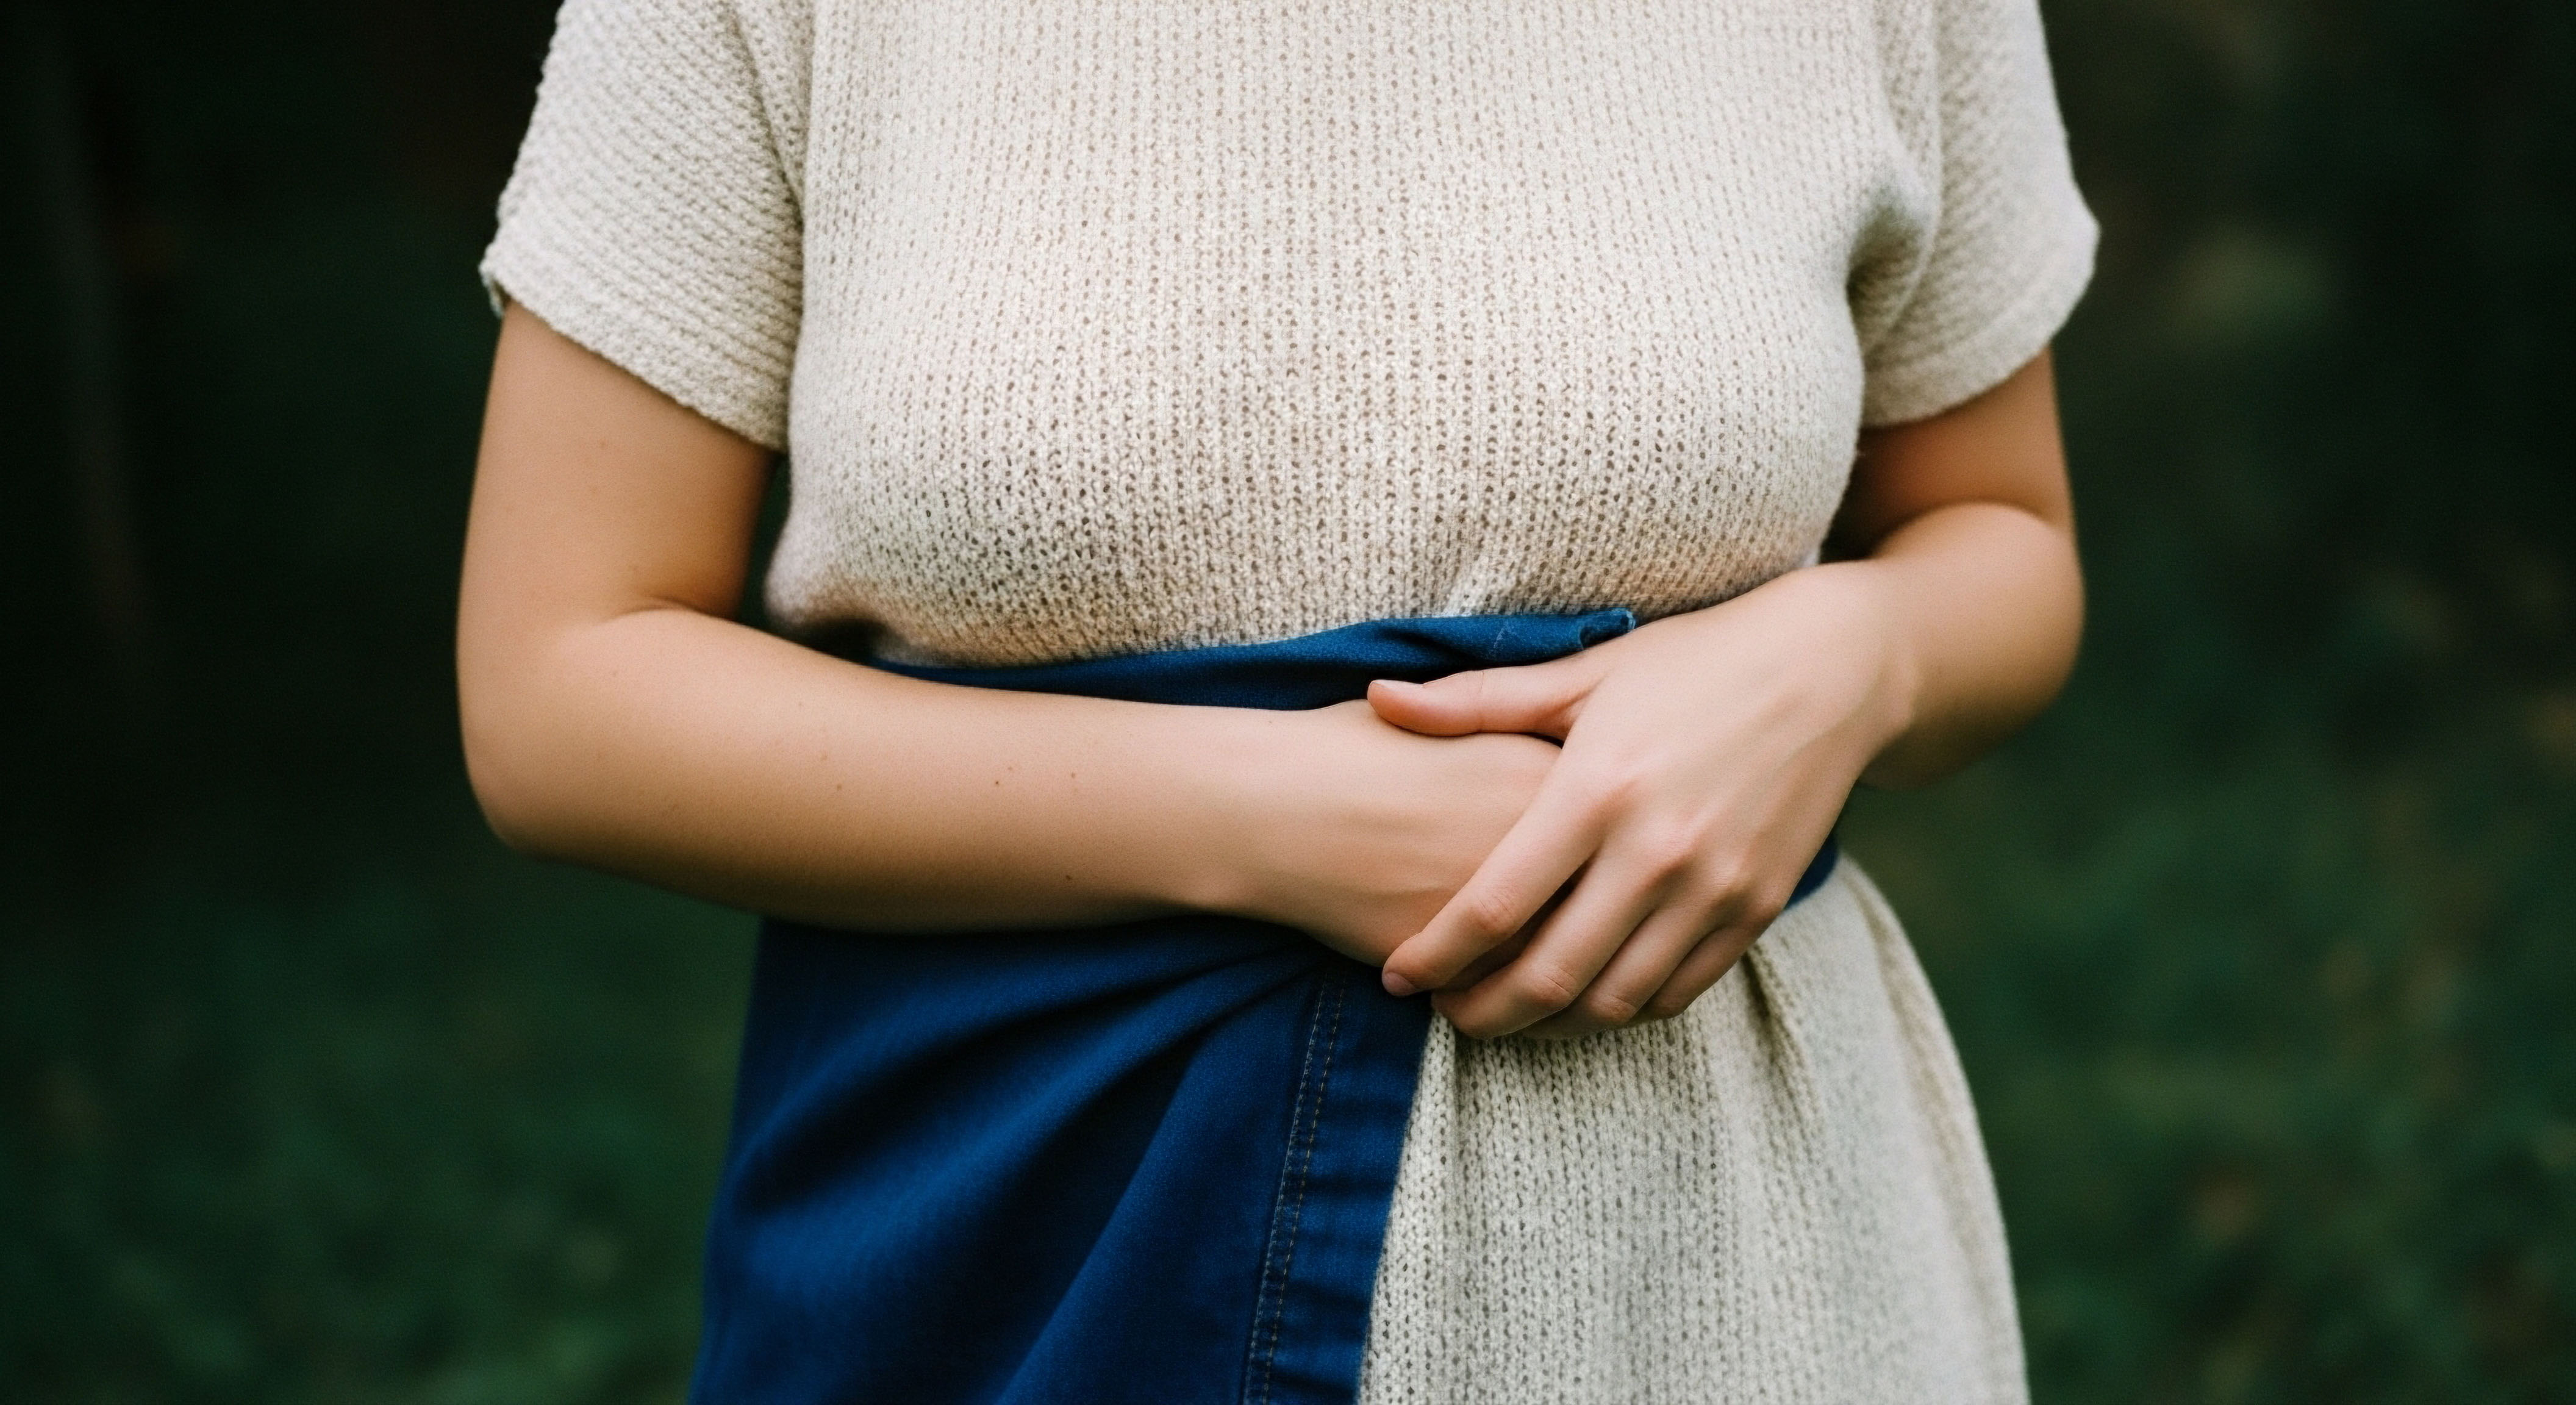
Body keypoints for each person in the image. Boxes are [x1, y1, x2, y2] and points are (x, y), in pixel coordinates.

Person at [457, 1, 2096, 1400]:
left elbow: (2004, 531)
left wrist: (1847, 656)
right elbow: (559, 687)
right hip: (1016, 1225)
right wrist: (1270, 818)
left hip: (1715, 1270)